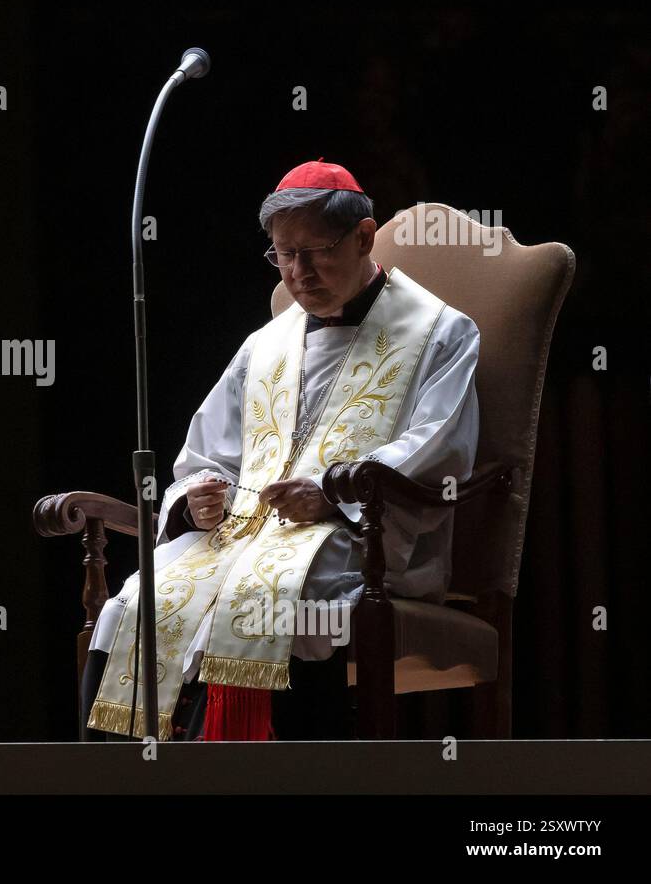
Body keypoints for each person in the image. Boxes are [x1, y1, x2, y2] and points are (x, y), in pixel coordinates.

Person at [82, 160, 481, 742]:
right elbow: (207, 454)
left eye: (316, 251)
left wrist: (329, 496)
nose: (299, 273)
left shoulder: (440, 333)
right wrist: (198, 499)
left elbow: (438, 450)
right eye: (284, 255)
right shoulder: (265, 344)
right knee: (131, 605)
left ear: (365, 237)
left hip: (360, 542)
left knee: (272, 610)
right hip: (241, 541)